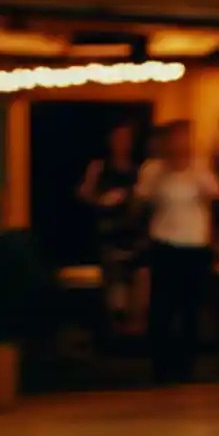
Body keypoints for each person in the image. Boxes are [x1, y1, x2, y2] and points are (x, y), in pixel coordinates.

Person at [135, 121, 219, 384]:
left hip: (195, 245)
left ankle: (187, 366)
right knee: (162, 306)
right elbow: (142, 199)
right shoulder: (153, 170)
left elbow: (217, 195)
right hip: (164, 244)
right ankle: (161, 366)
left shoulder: (199, 169)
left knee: (190, 307)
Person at [78, 123, 143, 334]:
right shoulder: (99, 167)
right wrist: (102, 201)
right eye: (118, 138)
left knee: (135, 277)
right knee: (114, 279)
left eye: (126, 138)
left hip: (132, 232)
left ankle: (134, 326)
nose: (122, 143)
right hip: (109, 231)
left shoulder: (139, 169)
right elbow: (84, 194)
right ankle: (114, 326)